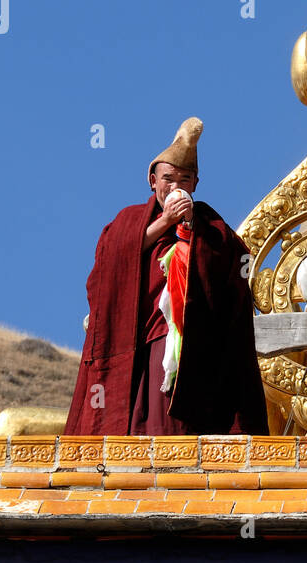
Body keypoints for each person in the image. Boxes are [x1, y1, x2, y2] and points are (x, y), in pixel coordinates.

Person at [64, 117, 269, 436]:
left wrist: (192, 233)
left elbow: (234, 277)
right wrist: (166, 223)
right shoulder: (128, 222)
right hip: (137, 336)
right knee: (137, 415)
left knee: (176, 420)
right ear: (152, 180)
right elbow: (111, 261)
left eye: (184, 180)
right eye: (168, 179)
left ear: (196, 184)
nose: (176, 187)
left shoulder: (214, 230)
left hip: (190, 342)